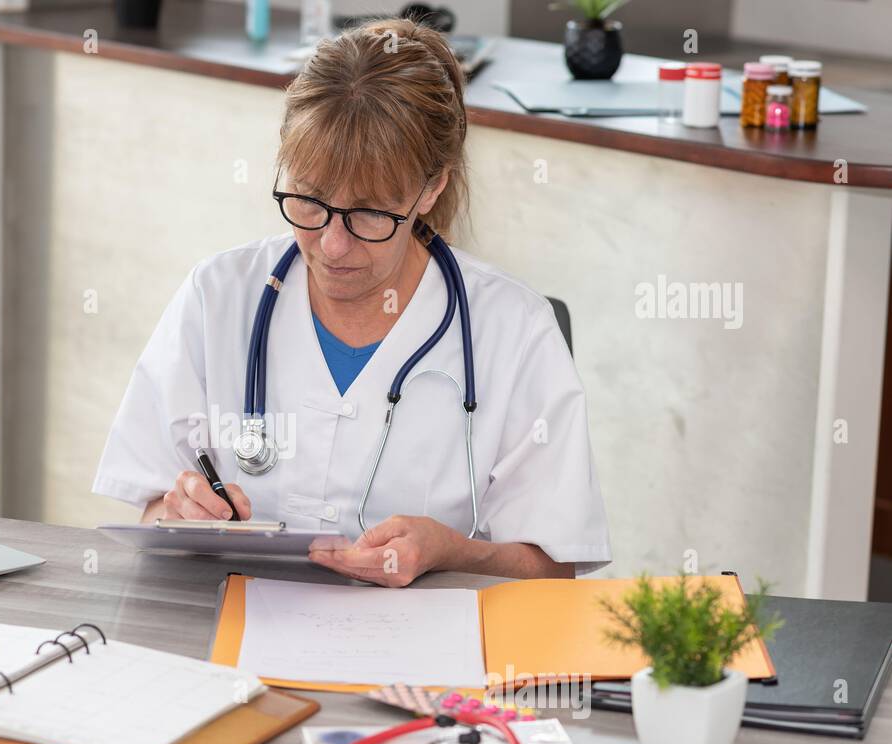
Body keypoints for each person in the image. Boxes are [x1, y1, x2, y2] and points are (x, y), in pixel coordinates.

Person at [93, 19, 610, 587]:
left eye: (369, 213)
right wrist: (179, 514)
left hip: (426, 661)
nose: (333, 245)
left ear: (432, 187)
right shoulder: (217, 297)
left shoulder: (515, 330)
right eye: (310, 201)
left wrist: (454, 551)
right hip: (236, 647)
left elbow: (553, 569)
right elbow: (150, 509)